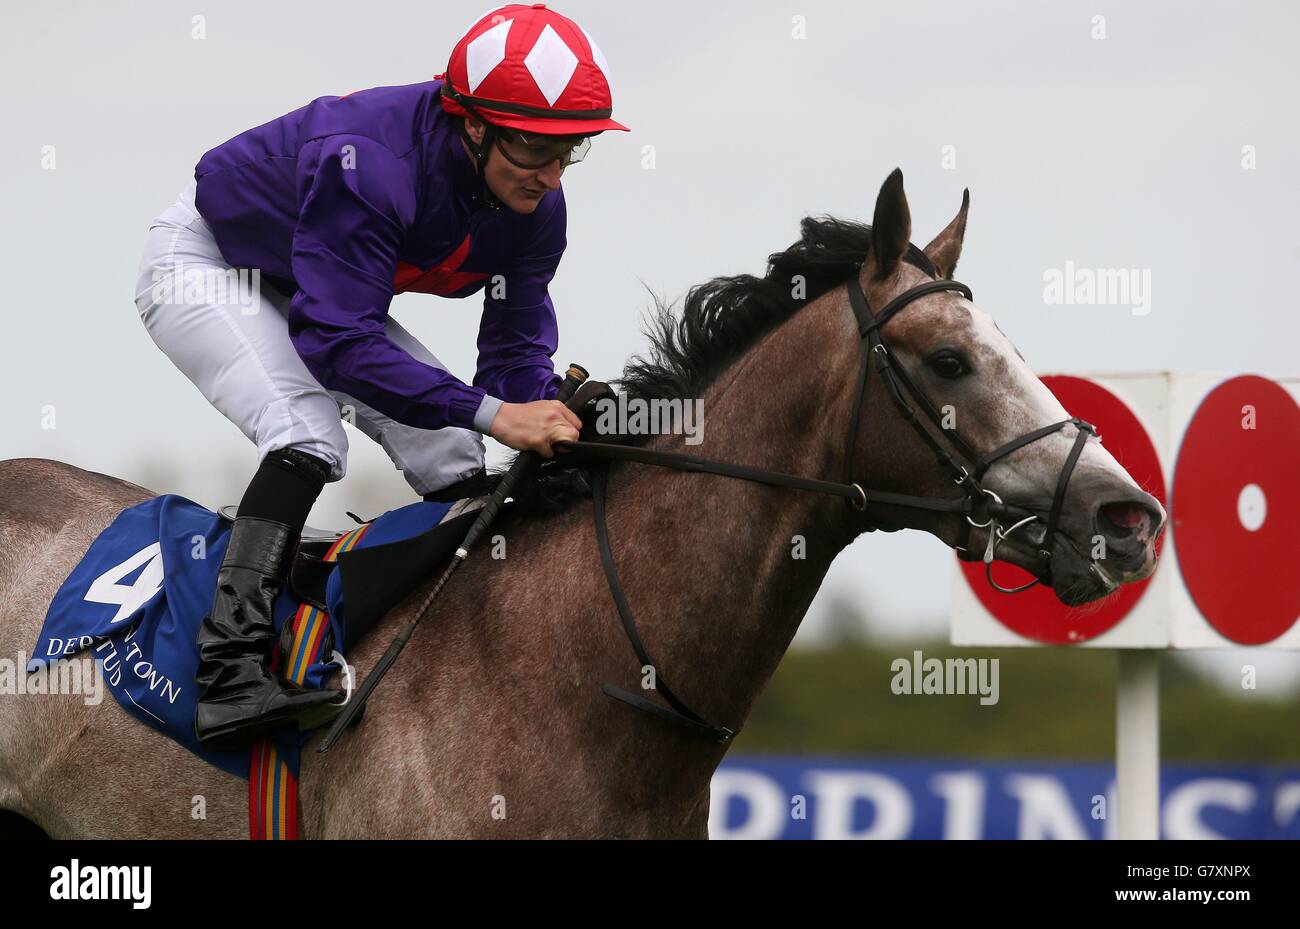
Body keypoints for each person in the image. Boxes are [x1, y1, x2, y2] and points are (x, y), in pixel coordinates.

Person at [132, 4, 627, 750]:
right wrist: (496, 414)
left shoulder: (537, 208)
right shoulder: (372, 163)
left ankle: (451, 644)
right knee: (308, 432)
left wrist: (552, 407)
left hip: (316, 286)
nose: (552, 176)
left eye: (571, 151)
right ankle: (228, 671)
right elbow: (336, 344)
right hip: (211, 265)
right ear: (472, 124)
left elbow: (512, 356)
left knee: (453, 458)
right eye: (534, 148)